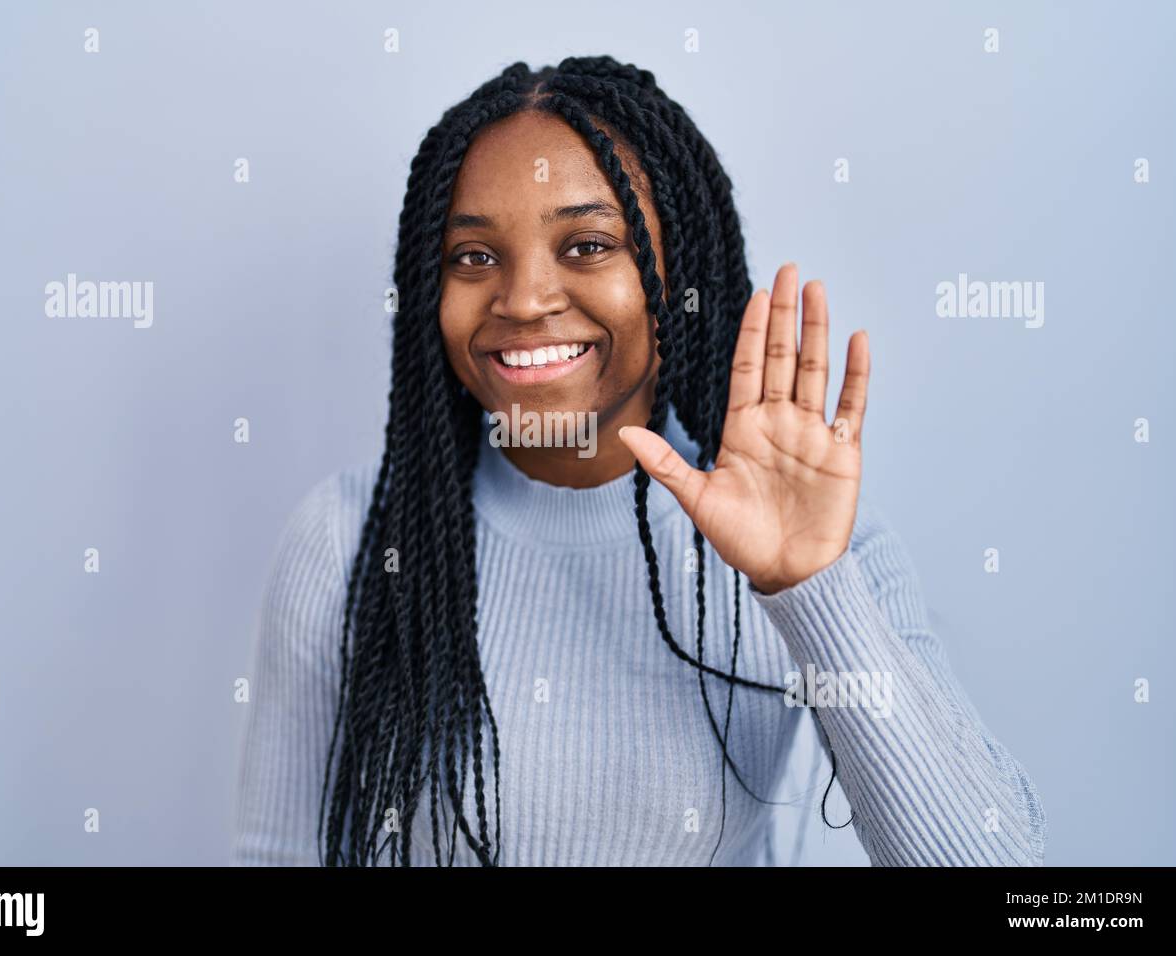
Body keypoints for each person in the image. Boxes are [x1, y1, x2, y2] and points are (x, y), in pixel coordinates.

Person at [233, 56, 1046, 867]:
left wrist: (808, 587)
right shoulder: (349, 540)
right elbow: (278, 854)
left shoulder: (824, 551)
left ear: (675, 274)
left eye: (586, 245)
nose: (521, 299)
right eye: (473, 257)